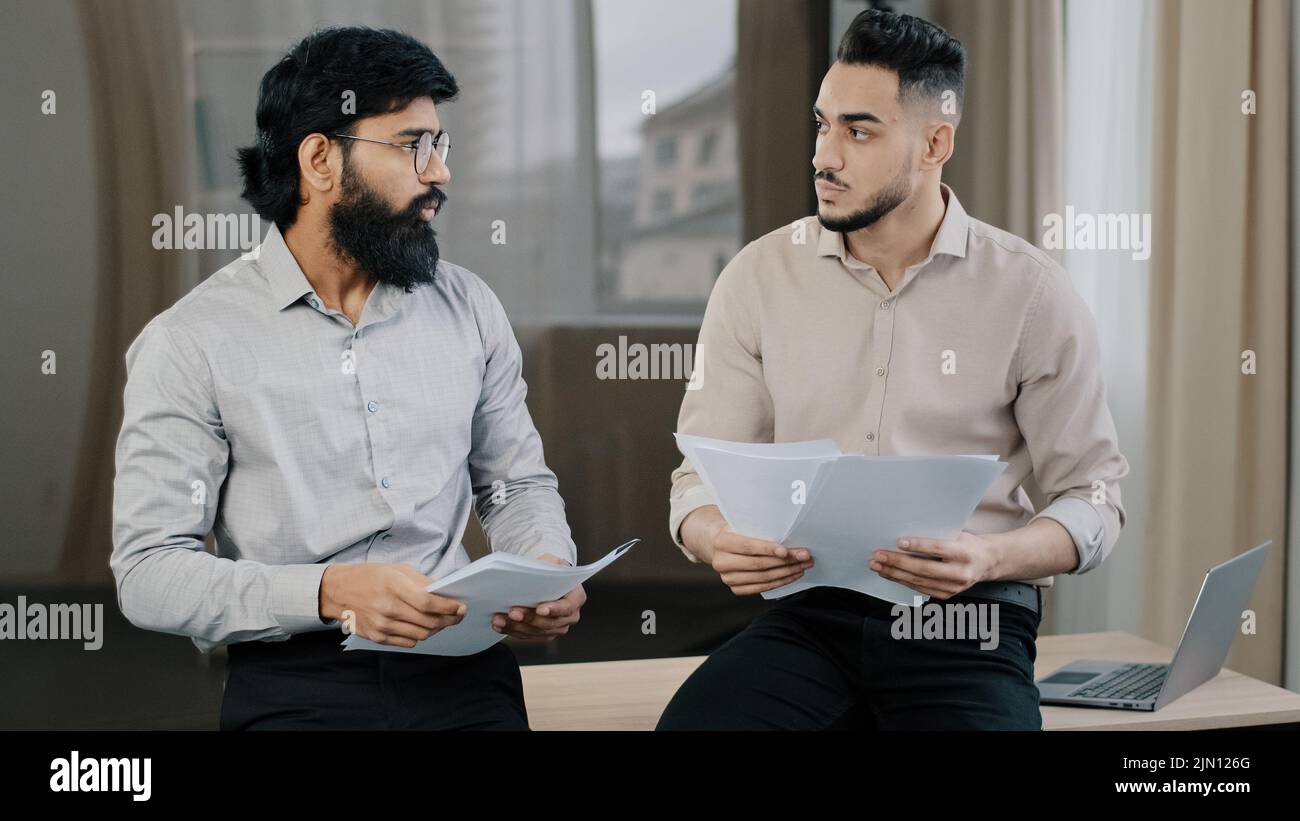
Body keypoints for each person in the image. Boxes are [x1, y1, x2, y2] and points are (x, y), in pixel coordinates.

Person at [657, 9, 1129, 730]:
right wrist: (717, 537)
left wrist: (990, 555)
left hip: (966, 622)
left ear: (935, 141)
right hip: (810, 616)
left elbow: (1094, 498)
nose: (825, 156)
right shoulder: (755, 278)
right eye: (822, 125)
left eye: (859, 131)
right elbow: (696, 477)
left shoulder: (1031, 292)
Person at [110, 27, 582, 730]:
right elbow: (149, 571)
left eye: (441, 145)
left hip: (462, 665)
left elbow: (514, 483)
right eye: (412, 144)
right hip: (298, 678)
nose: (439, 172)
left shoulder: (469, 306)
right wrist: (329, 590)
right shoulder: (189, 342)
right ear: (320, 159)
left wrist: (542, 563)